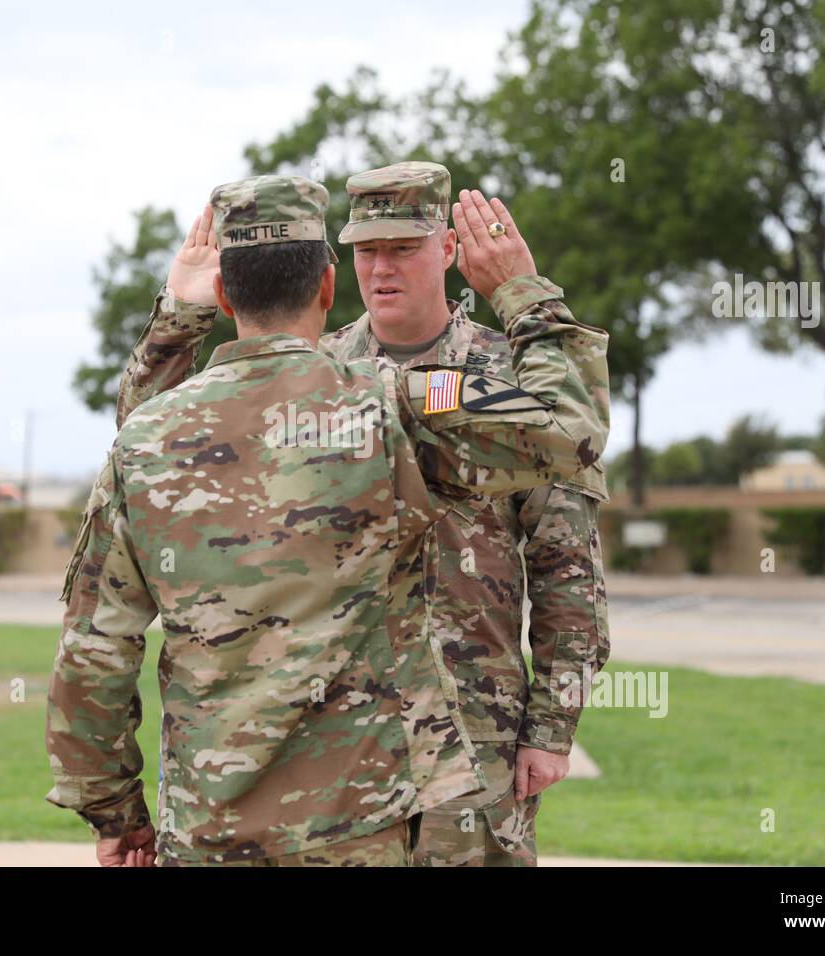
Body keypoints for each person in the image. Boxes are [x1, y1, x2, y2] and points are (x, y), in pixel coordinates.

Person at [47, 175, 608, 866]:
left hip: (464, 740)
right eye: (367, 249)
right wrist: (528, 293)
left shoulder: (471, 378)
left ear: (448, 251)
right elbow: (163, 441)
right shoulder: (367, 388)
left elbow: (566, 560)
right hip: (366, 787)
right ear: (329, 280)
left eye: (403, 247)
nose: (383, 267)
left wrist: (552, 723)